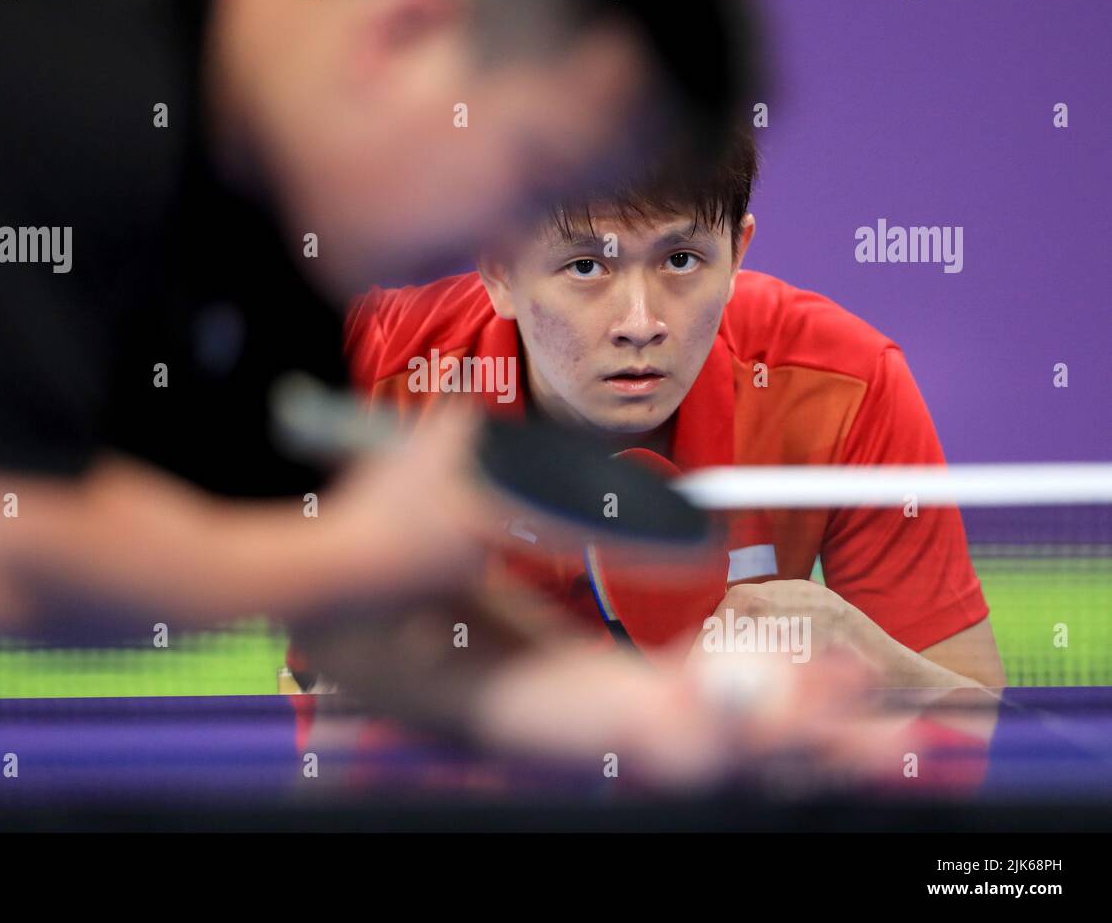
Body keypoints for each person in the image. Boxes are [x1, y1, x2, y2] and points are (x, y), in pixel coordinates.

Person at [0, 0, 761, 752]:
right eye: (537, 178)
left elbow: (357, 616)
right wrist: (363, 544)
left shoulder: (277, 187)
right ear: (405, 34)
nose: (515, 243)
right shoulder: (31, 27)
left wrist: (657, 718)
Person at [337, 129, 1007, 690]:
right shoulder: (372, 374)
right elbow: (322, 735)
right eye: (585, 266)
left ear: (738, 252)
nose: (641, 322)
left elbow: (990, 754)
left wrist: (872, 658)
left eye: (681, 259)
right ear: (501, 270)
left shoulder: (844, 383)